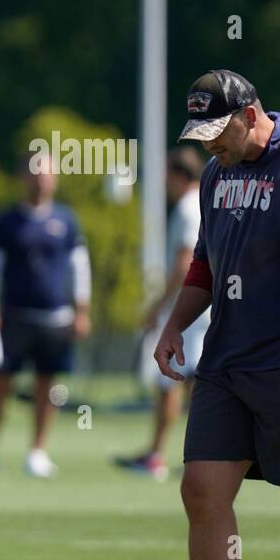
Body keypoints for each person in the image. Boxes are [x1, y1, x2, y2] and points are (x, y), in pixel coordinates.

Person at [133, 70, 280, 560]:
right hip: (225, 357)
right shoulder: (218, 173)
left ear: (251, 114)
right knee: (200, 488)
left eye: (216, 132)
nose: (207, 147)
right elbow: (205, 260)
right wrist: (173, 327)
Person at [0, 150, 91, 479]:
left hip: (55, 317)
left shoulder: (66, 220)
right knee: (1, 383)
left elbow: (79, 267)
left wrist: (82, 310)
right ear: (23, 177)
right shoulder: (5, 223)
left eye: (47, 173)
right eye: (35, 173)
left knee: (47, 386)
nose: (41, 180)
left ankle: (37, 452)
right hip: (15, 315)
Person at [114, 147, 209, 480]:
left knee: (170, 381)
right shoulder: (205, 201)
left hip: (190, 314)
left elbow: (186, 265)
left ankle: (159, 455)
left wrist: (160, 306)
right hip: (203, 312)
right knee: (196, 383)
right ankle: (206, 454)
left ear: (179, 174)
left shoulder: (187, 207)